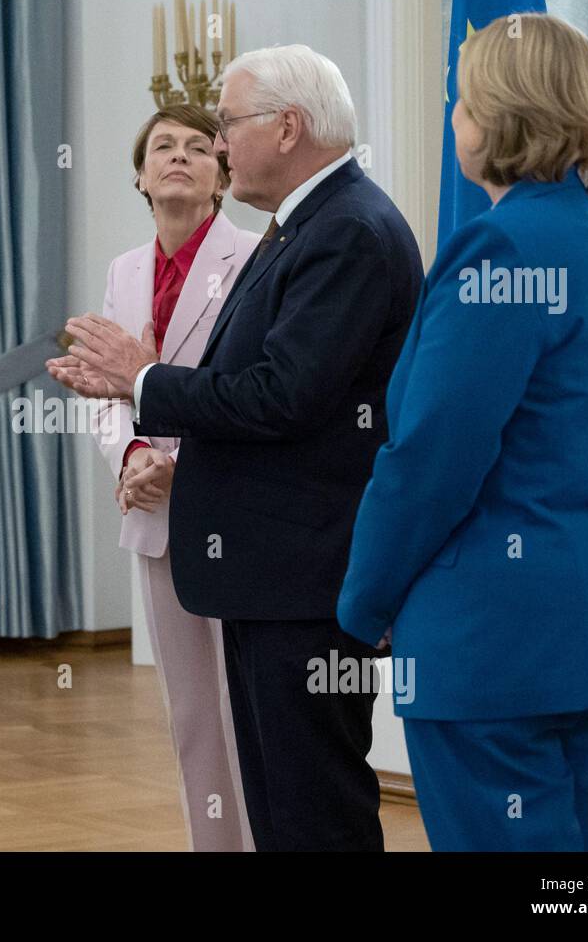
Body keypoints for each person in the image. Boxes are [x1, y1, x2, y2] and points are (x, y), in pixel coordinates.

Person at [49, 45, 423, 850]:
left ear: (287, 129)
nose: (217, 144)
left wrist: (142, 379)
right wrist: (132, 393)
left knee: (312, 808)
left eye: (225, 126)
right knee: (279, 803)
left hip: (306, 577)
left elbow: (283, 396)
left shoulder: (347, 231)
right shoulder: (303, 227)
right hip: (272, 573)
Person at [337, 13, 588, 852]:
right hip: (585, 619)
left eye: (462, 101)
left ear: (500, 116)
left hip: (493, 638)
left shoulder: (500, 249)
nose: (453, 119)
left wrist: (365, 597)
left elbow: (433, 458)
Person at [91, 104, 259, 851]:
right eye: (163, 146)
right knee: (191, 714)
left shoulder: (255, 258)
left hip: (234, 517)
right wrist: (131, 458)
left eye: (199, 147)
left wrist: (178, 468)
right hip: (154, 521)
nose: (180, 157)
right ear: (140, 175)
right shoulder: (124, 272)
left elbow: (259, 393)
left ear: (222, 176)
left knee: (244, 711)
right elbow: (107, 392)